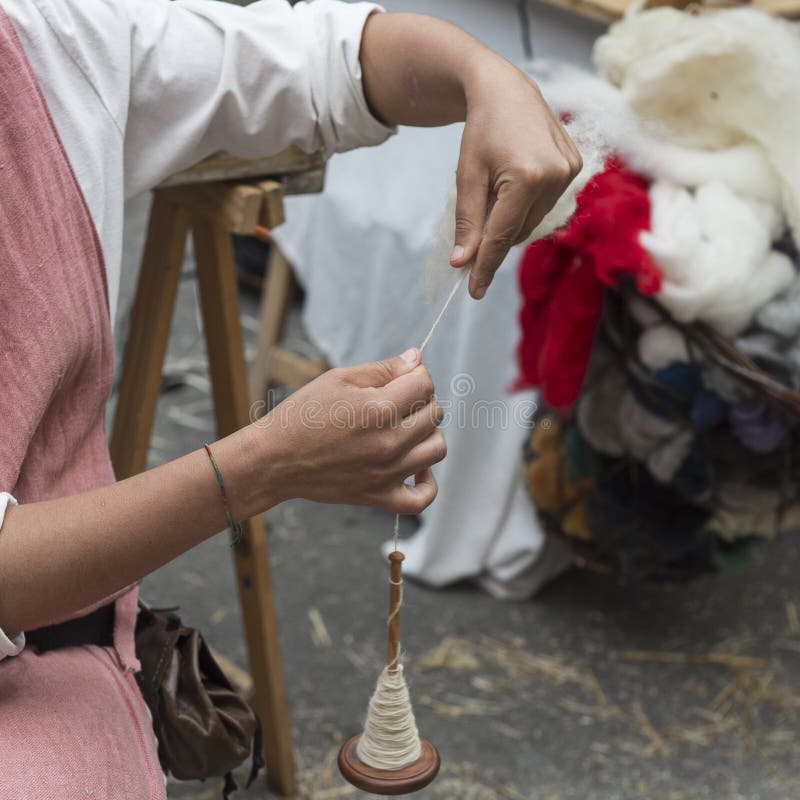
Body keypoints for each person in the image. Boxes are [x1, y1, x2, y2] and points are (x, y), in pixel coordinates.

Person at [0, 0, 580, 795]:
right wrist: (263, 465)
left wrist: (485, 76)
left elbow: (328, 58)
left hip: (73, 632)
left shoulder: (49, 44)